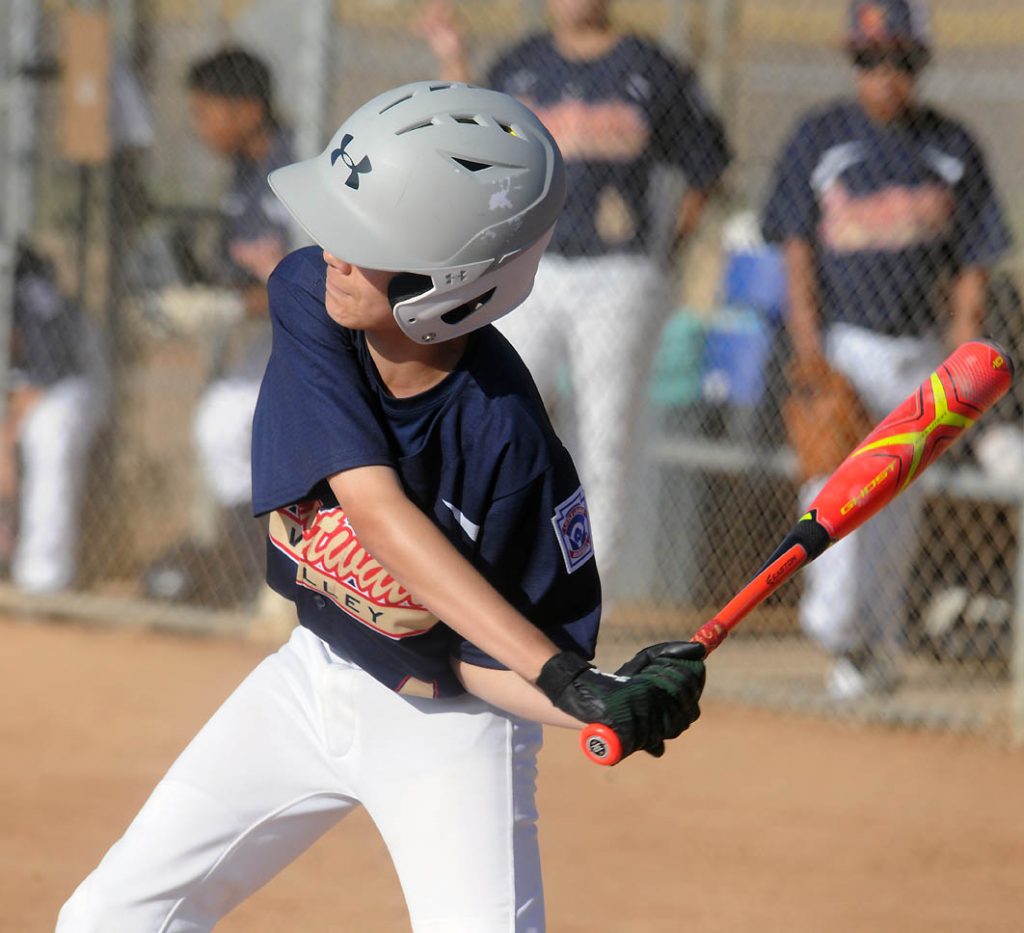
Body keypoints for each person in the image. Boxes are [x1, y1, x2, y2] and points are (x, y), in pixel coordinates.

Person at [57, 81, 708, 932]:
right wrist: (561, 673)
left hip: (448, 729)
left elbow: (481, 661)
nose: (332, 250)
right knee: (106, 917)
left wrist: (597, 694)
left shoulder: (507, 442)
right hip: (310, 677)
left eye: (364, 238)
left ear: (455, 281)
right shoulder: (311, 305)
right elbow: (372, 505)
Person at [418, 0, 731, 598]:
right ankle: (481, 568)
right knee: (494, 409)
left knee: (606, 435)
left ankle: (590, 596)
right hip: (530, 266)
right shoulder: (521, 65)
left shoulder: (649, 67)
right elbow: (473, 146)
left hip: (619, 271)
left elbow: (707, 163)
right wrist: (452, 56)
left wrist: (669, 247)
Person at [761, 0, 1012, 699]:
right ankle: (837, 621)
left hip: (919, 356)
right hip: (846, 349)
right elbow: (796, 249)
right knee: (833, 494)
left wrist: (961, 344)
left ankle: (867, 652)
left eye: (898, 59)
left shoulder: (951, 147)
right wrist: (810, 348)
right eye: (869, 60)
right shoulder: (820, 138)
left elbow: (974, 258)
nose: (884, 75)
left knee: (895, 518)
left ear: (919, 64)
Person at [143, 47, 297, 605]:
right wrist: (200, 294)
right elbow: (243, 277)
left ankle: (278, 576)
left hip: (327, 335)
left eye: (209, 112)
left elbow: (312, 282)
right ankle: (259, 572)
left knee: (230, 423)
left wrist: (228, 310)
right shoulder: (244, 173)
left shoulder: (297, 166)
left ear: (249, 110)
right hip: (277, 333)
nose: (199, 126)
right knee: (221, 426)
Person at [0, 244, 108, 594]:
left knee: (48, 433)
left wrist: (5, 438)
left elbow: (48, 368)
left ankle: (41, 578)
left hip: (63, 384)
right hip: (16, 388)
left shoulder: (24, 275)